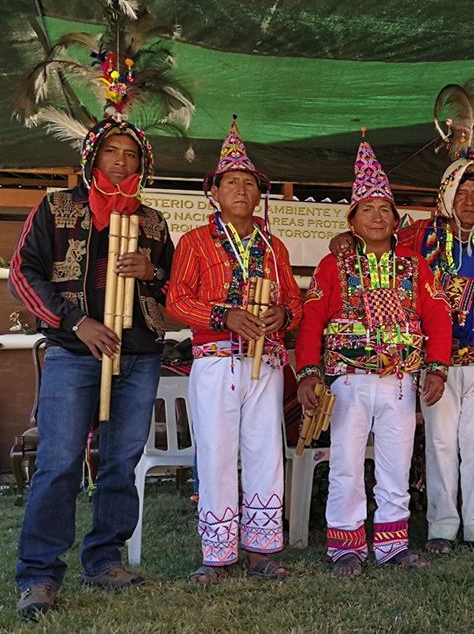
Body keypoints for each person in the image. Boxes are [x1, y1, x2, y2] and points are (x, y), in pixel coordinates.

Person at [328, 86, 474, 555]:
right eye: (463, 191)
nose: (470, 200)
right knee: (438, 444)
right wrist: (343, 237)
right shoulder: (420, 234)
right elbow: (377, 236)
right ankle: (440, 528)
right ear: (447, 192)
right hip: (433, 363)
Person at [9, 112, 174, 617]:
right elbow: (23, 273)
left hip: (138, 355)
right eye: (112, 153)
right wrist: (76, 322)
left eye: (131, 156)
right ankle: (39, 574)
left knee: (120, 462)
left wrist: (154, 270)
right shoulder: (55, 207)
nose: (122, 163)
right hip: (74, 353)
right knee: (58, 463)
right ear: (92, 157)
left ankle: (104, 560)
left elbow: (176, 286)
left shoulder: (151, 221)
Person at [296, 138, 452, 577]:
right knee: (345, 461)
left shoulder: (415, 267)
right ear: (352, 219)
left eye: (385, 208)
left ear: (397, 218)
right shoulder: (334, 266)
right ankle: (345, 546)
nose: (378, 216)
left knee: (395, 462)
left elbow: (438, 317)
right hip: (348, 382)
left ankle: (392, 543)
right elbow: (310, 322)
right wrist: (309, 374)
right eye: (368, 209)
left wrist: (436, 368)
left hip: (401, 382)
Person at [166, 117, 303, 583]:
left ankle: (262, 548)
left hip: (265, 363)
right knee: (218, 452)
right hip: (215, 362)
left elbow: (293, 299)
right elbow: (176, 299)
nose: (241, 189)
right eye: (232, 182)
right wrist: (226, 316)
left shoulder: (274, 245)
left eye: (249, 183)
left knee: (266, 450)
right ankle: (217, 554)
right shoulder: (194, 242)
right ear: (215, 192)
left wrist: (283, 317)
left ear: (258, 193)